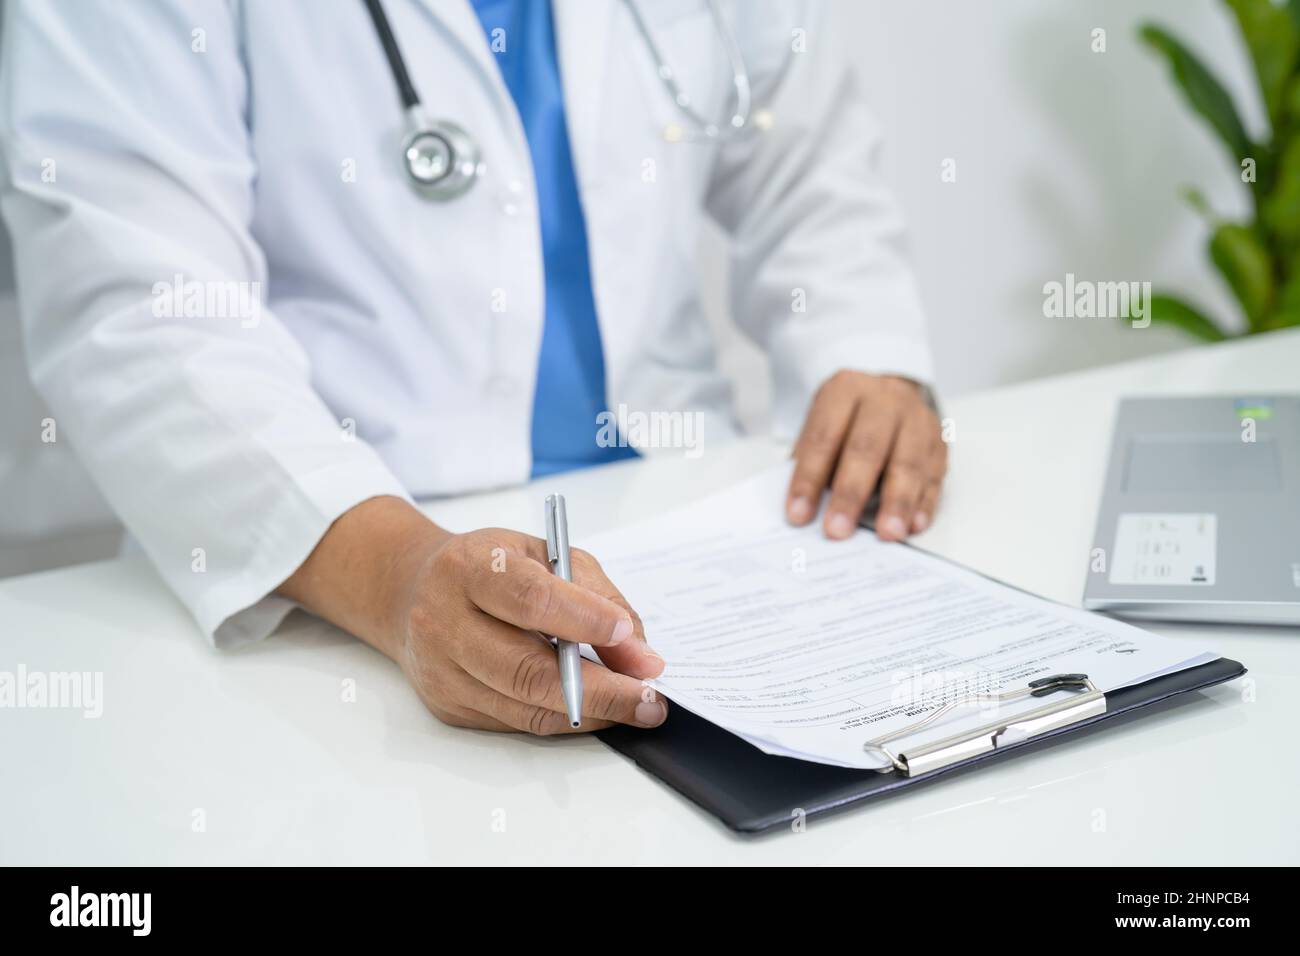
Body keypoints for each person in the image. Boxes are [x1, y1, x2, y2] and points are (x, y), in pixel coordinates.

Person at [0, 0, 946, 736]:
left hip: (689, 522)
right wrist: (395, 576)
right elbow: (139, 297)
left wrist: (865, 355)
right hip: (331, 552)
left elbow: (810, 169)